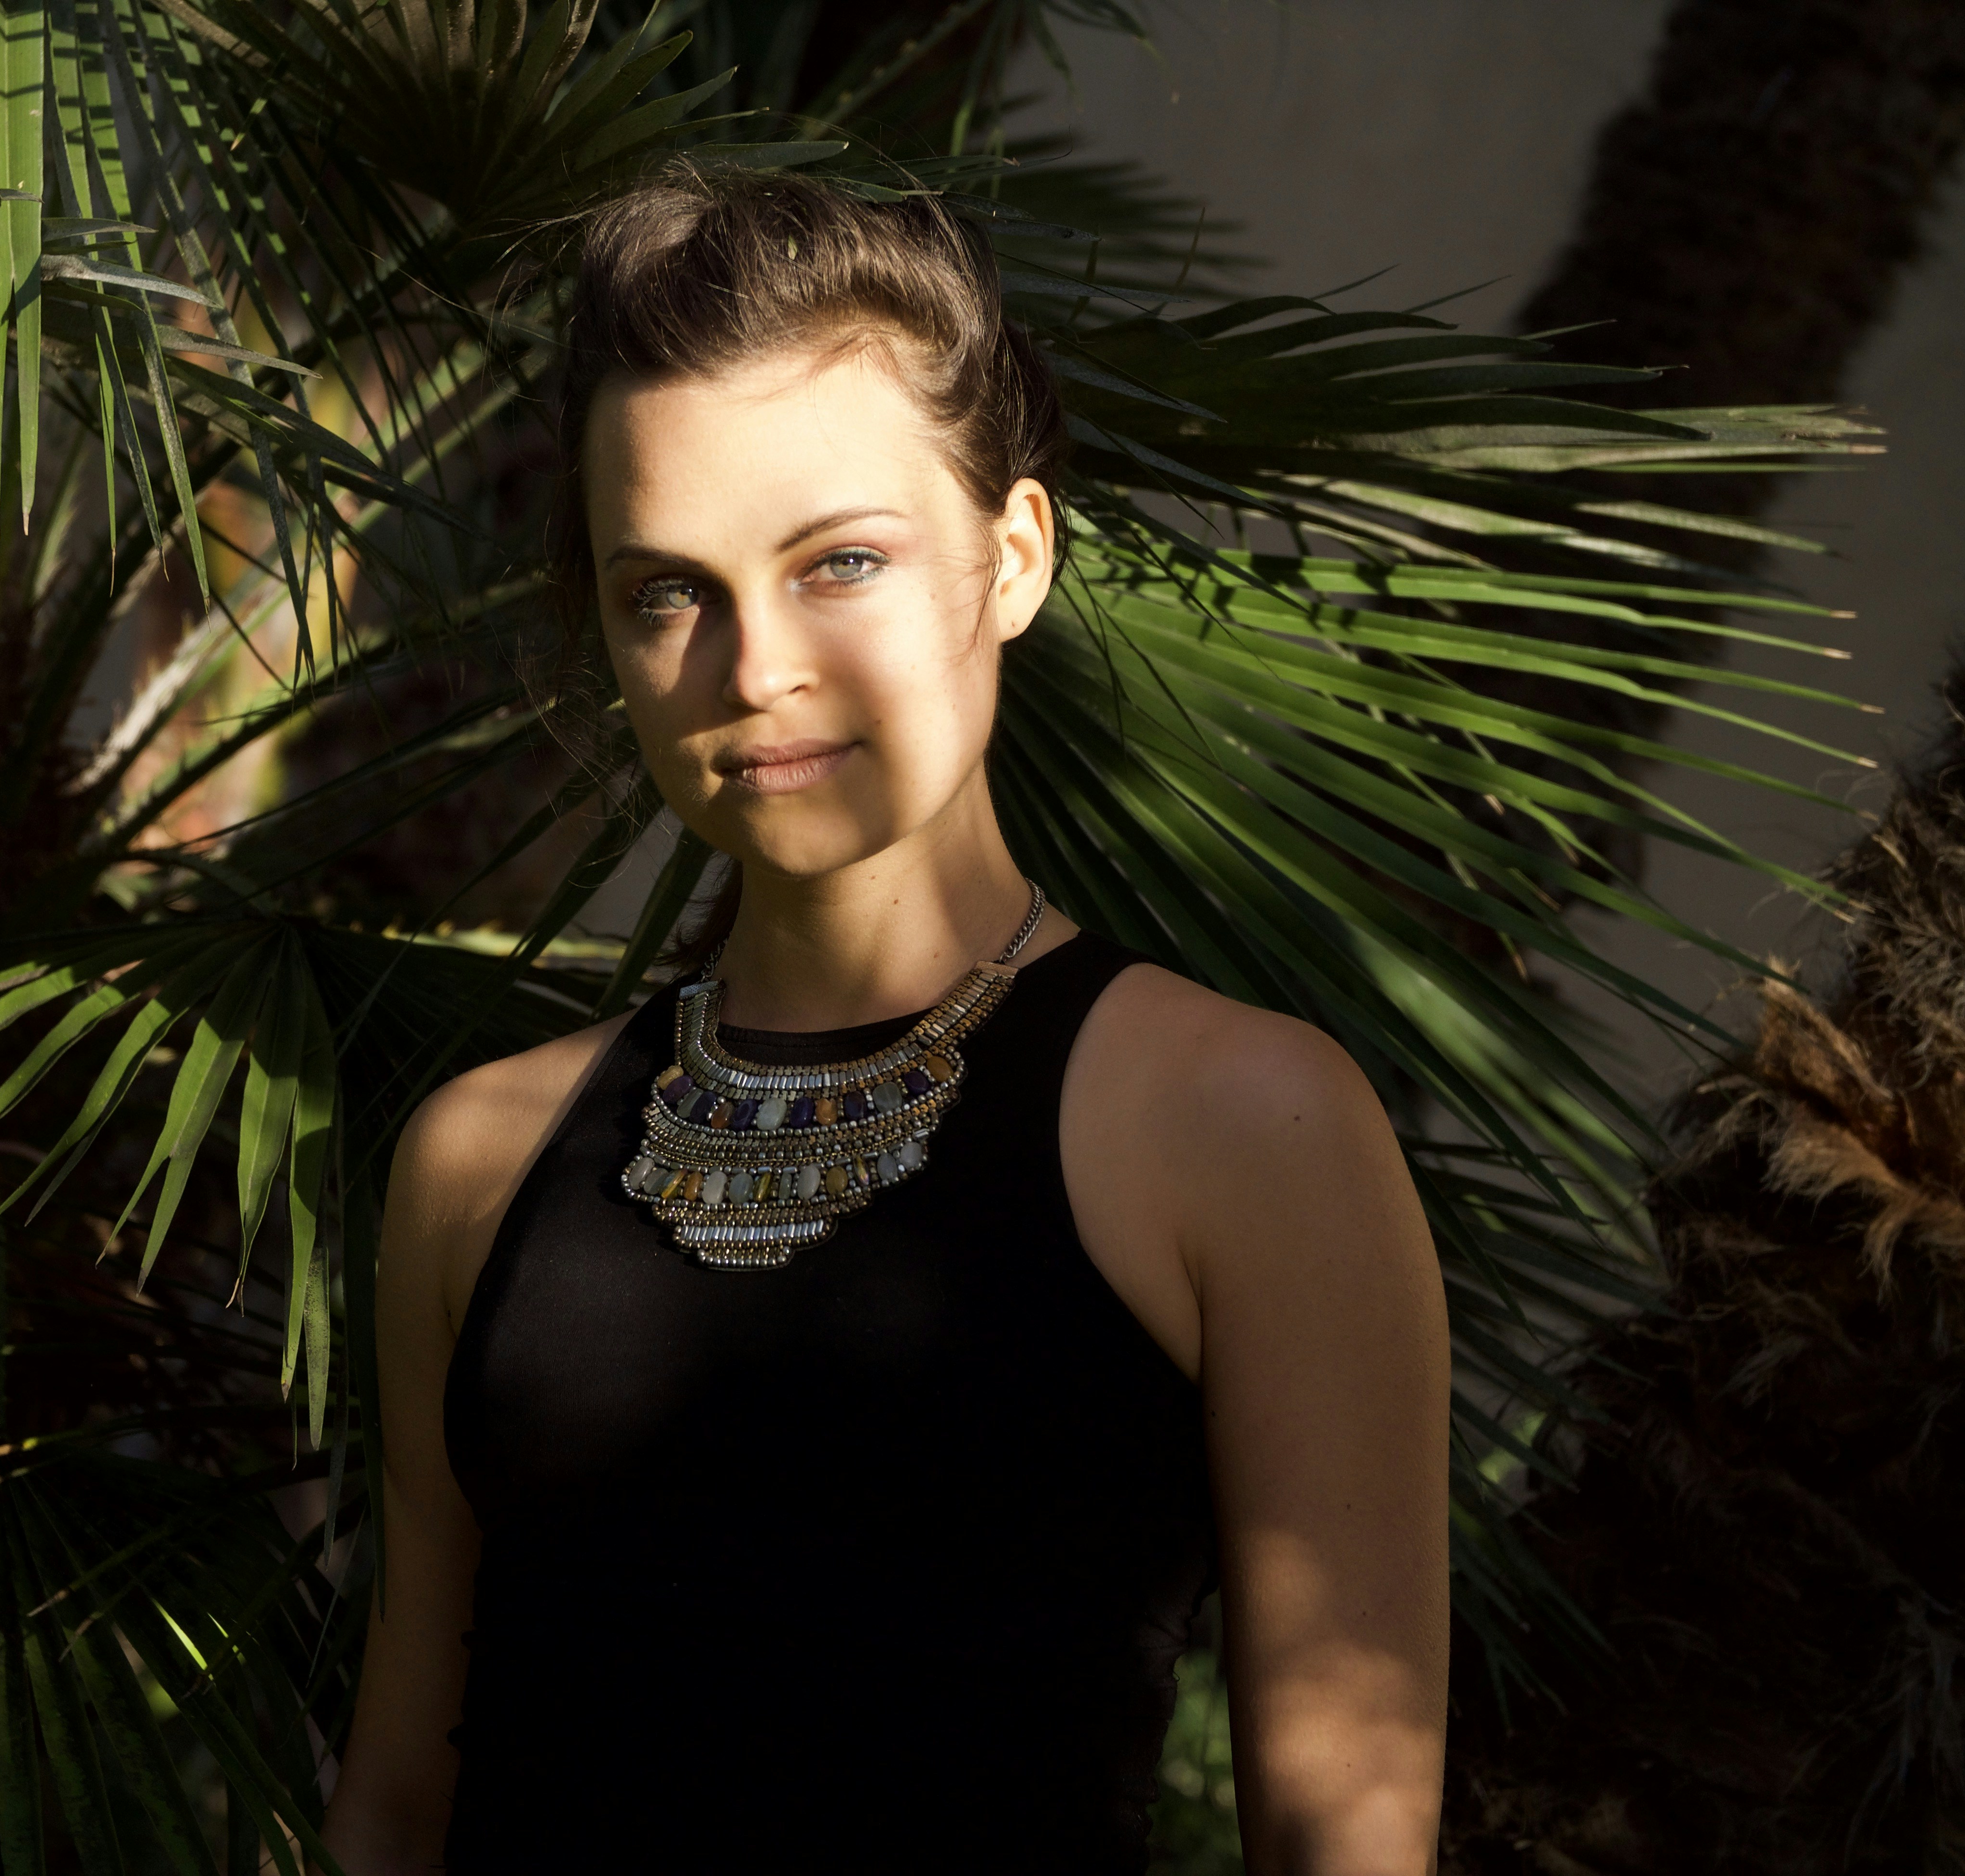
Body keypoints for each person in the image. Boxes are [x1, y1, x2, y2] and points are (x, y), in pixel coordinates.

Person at [321, 166, 1449, 1875]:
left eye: (838, 561)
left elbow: (1347, 1840)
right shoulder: (475, 1164)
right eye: (668, 591)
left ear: (1013, 558)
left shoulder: (1245, 1128)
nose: (754, 666)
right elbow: (398, 1805)